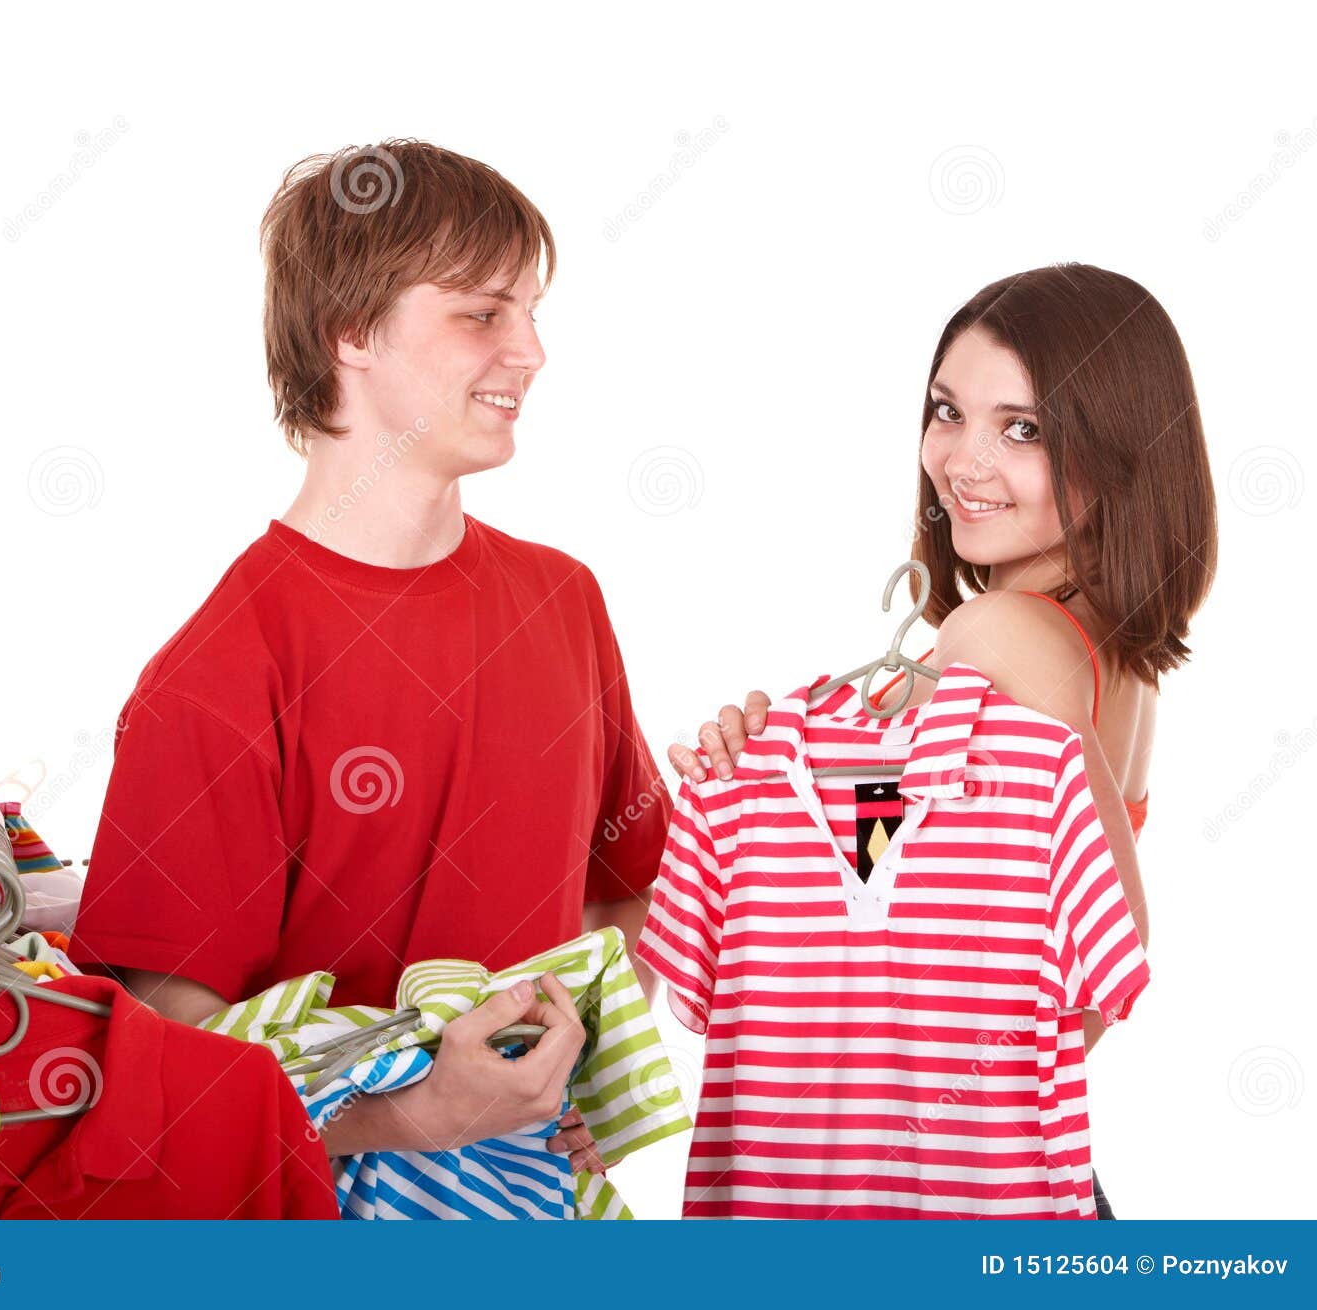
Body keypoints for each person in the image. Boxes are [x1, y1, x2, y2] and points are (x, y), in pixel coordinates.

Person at [70, 141, 671, 1176]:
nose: (529, 350)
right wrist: (419, 1115)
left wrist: (572, 1072)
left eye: (529, 311)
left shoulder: (563, 602)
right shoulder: (215, 675)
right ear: (349, 332)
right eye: (482, 313)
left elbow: (624, 892)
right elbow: (156, 1060)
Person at [664, 263, 1217, 1216]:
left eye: (1023, 429)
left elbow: (897, 886)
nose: (961, 459)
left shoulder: (1000, 636)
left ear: (1120, 447)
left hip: (944, 1192)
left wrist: (769, 787)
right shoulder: (1115, 646)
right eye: (948, 410)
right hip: (1025, 1178)